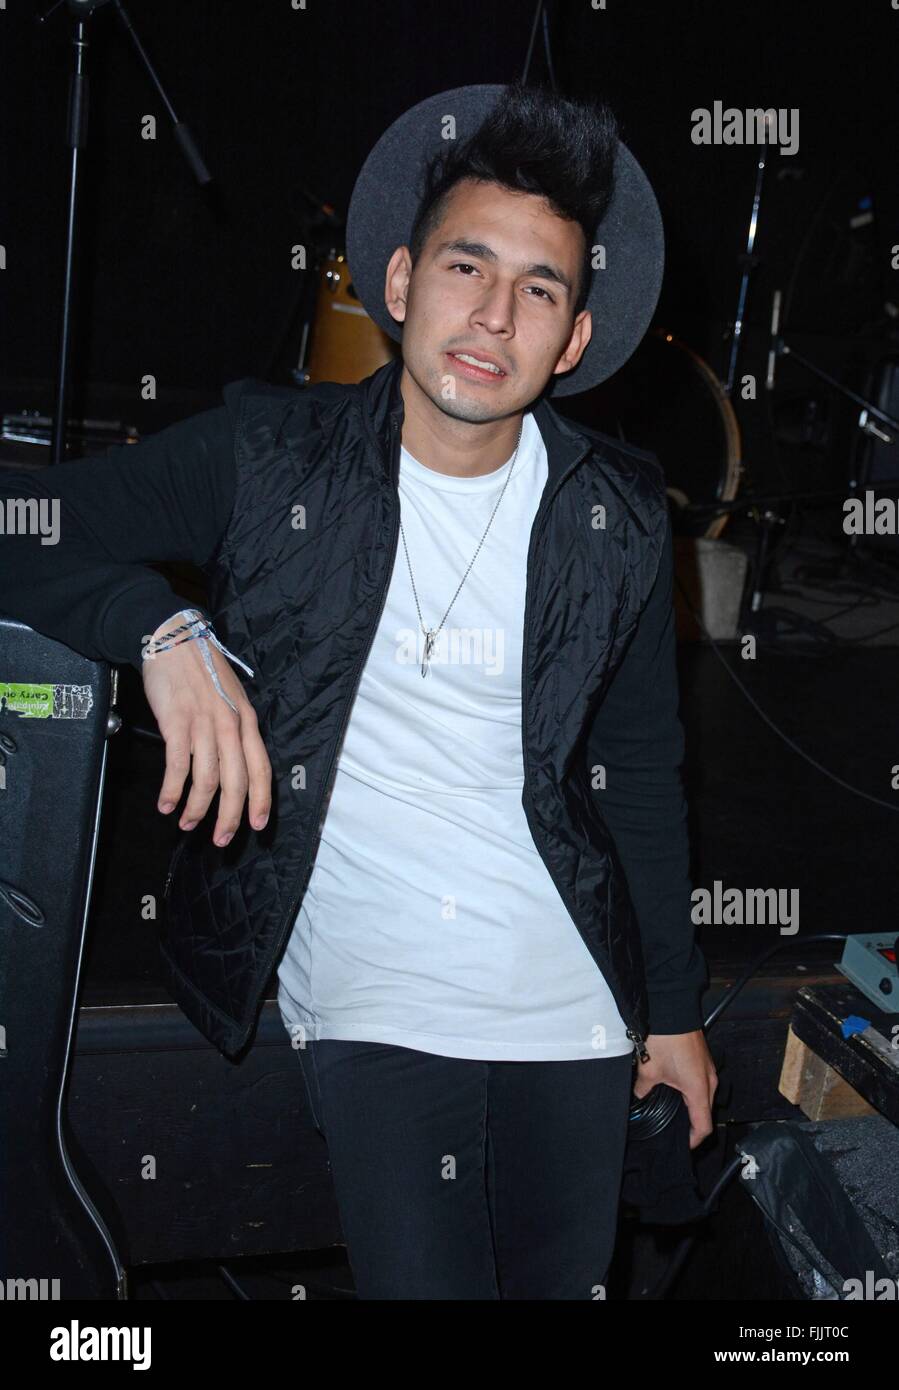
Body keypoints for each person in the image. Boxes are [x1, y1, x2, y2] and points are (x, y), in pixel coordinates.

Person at [0, 81, 716, 1299]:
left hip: (562, 976)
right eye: (464, 267)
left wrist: (674, 1010)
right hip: (376, 971)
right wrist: (161, 629)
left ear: (575, 339)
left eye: (538, 289)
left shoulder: (617, 511)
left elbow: (640, 776)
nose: (491, 316)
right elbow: (28, 528)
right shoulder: (269, 453)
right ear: (396, 284)